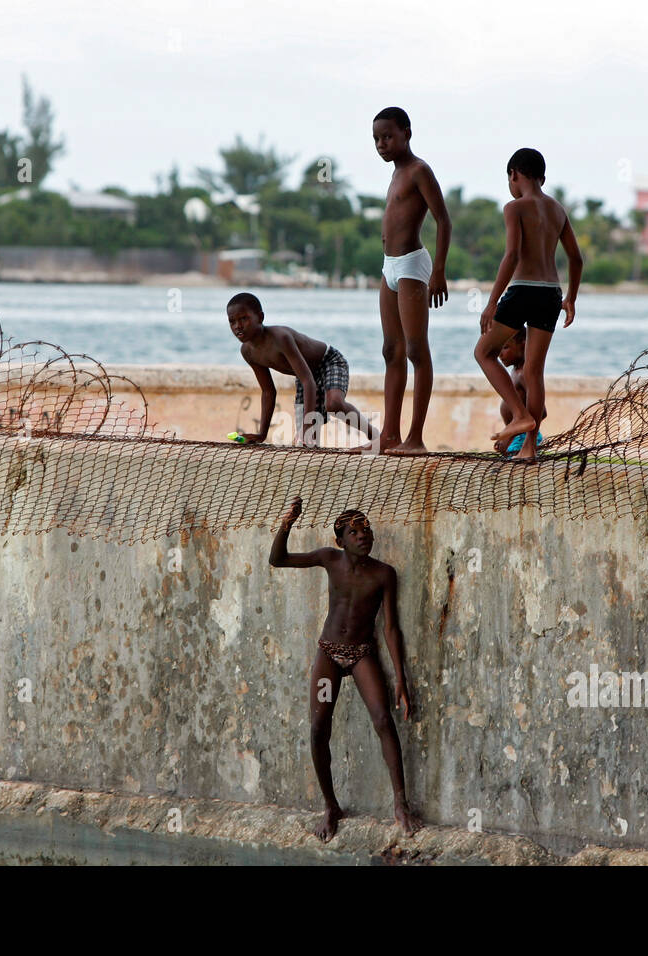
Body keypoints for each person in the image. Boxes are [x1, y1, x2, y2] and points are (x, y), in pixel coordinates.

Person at [269, 495, 421, 842]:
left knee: (383, 719)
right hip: (330, 655)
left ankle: (400, 803)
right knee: (319, 725)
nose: (362, 536)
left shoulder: (384, 574)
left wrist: (400, 678)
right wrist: (286, 524)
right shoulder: (329, 559)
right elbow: (277, 560)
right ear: (341, 541)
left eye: (366, 530)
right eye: (354, 532)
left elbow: (391, 628)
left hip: (361, 653)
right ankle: (330, 805)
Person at [473, 147, 582, 461]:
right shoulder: (558, 210)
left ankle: (520, 414)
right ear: (542, 177)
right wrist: (570, 297)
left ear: (514, 175)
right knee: (534, 371)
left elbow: (512, 256)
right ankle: (529, 448)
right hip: (551, 293)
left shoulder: (515, 208)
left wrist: (492, 301)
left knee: (483, 352)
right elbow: (576, 258)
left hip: (523, 289)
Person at [372, 106, 452, 456]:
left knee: (417, 349)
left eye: (388, 136)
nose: (381, 144)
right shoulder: (394, 174)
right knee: (392, 350)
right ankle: (389, 434)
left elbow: (443, 220)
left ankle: (415, 437)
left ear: (407, 133)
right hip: (389, 266)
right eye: (376, 139)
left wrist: (439, 271)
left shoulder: (419, 170)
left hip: (412, 266)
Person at [228, 292, 378, 448]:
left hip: (328, 361)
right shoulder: (247, 352)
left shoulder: (281, 337)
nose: (237, 326)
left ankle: (375, 436)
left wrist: (306, 427)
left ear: (260, 317)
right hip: (305, 374)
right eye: (232, 321)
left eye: (244, 319)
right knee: (306, 445)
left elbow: (308, 382)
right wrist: (262, 434)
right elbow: (268, 392)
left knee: (333, 404)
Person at [492, 329, 543, 455]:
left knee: (516, 470)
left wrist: (510, 436)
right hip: (516, 436)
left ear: (523, 344)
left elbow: (543, 412)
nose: (500, 354)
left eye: (505, 347)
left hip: (522, 437)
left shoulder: (522, 375)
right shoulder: (514, 372)